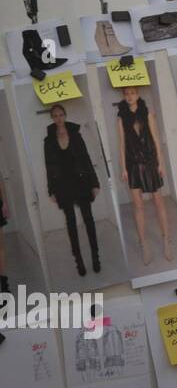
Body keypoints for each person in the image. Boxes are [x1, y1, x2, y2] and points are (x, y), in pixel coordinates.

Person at [115, 86, 173, 265]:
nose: (130, 96)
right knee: (138, 207)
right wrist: (123, 168)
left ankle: (166, 240)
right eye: (126, 94)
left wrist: (160, 163)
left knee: (159, 203)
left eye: (132, 93)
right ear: (124, 97)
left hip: (150, 162)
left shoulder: (148, 113)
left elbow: (156, 140)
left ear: (138, 95)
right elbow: (122, 144)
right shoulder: (120, 117)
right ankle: (144, 244)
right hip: (133, 165)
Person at [44, 103, 100, 277]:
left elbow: (86, 158)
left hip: (81, 182)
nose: (59, 118)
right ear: (52, 118)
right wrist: (51, 190)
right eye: (55, 116)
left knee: (88, 220)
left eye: (61, 115)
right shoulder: (48, 141)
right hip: (63, 186)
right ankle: (79, 262)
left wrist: (94, 183)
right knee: (71, 224)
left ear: (65, 115)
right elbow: (49, 166)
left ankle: (95, 258)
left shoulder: (76, 135)